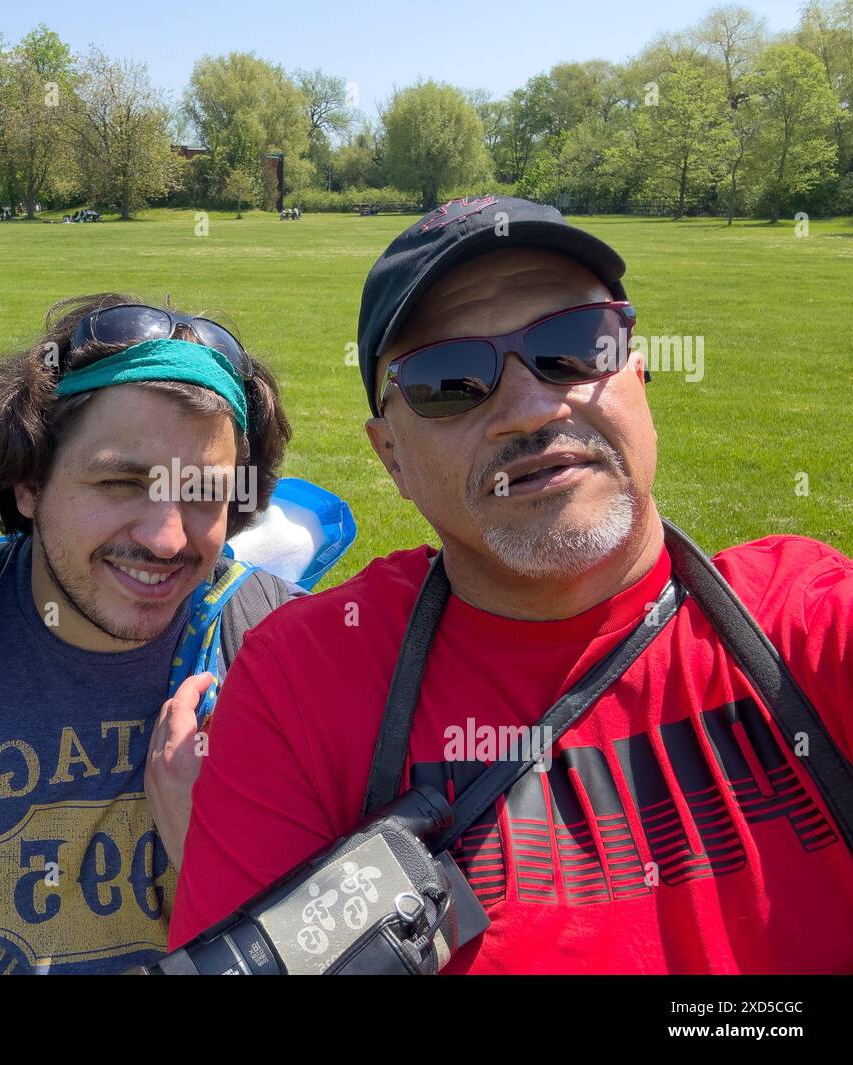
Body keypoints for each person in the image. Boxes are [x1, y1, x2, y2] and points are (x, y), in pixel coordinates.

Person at [167, 195, 853, 973]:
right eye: (451, 379)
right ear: (391, 455)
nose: (529, 408)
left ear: (635, 369)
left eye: (573, 345)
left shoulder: (809, 622)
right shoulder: (306, 680)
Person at [0, 293, 295, 974]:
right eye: (120, 482)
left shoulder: (283, 650)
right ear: (29, 481)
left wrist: (217, 855)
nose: (166, 537)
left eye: (202, 492)